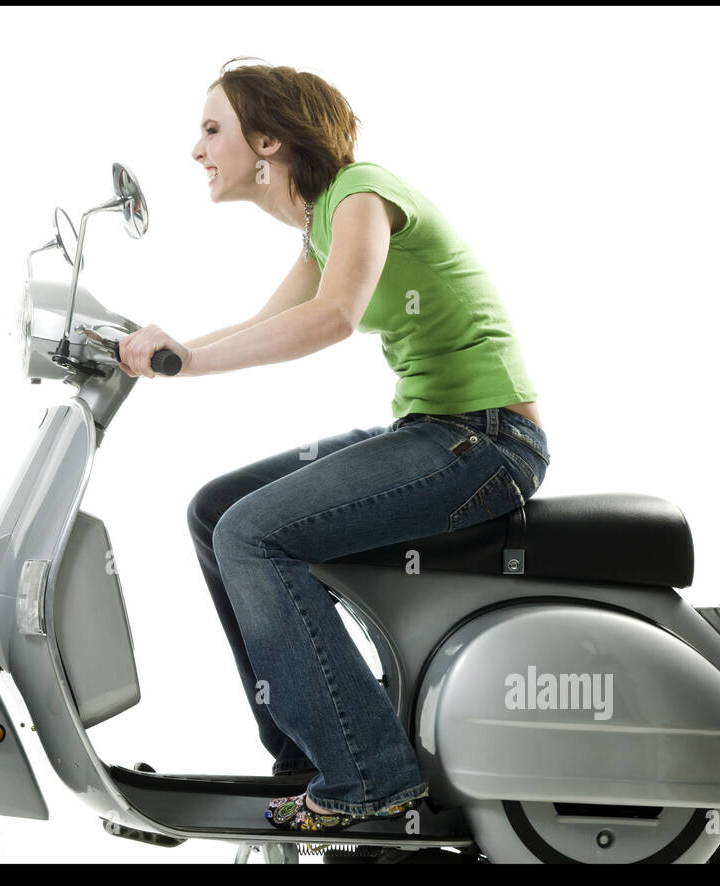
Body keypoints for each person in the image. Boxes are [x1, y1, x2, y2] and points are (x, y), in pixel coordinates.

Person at [117, 57, 550, 833]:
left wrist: (184, 359)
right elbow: (262, 324)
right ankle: (307, 752)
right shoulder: (326, 219)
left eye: (213, 130)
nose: (197, 150)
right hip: (435, 432)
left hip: (486, 442)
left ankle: (367, 775)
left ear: (271, 141)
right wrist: (156, 355)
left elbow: (332, 318)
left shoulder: (359, 192)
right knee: (217, 510)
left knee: (253, 534)